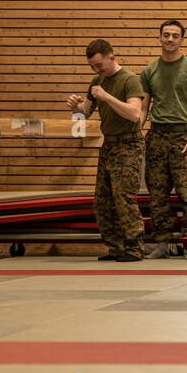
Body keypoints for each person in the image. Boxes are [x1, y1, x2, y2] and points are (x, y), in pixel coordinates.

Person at [66, 39, 145, 262]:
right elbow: (83, 115)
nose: (97, 70)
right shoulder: (96, 81)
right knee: (102, 199)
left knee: (124, 196)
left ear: (112, 56)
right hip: (109, 144)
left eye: (99, 65)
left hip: (129, 144)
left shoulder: (130, 80)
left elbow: (135, 114)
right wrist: (75, 108)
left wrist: (106, 97)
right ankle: (115, 246)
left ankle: (134, 247)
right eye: (93, 67)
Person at [138, 19, 187, 260]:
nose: (170, 39)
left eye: (175, 35)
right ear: (159, 38)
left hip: (183, 136)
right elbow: (144, 106)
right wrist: (138, 133)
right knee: (157, 194)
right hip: (157, 135)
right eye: (166, 35)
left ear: (182, 39)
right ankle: (162, 243)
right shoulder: (149, 70)